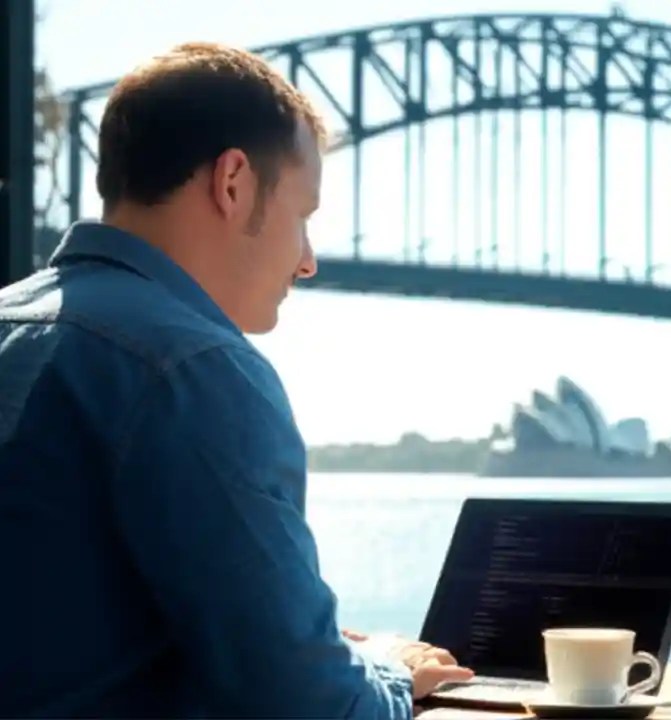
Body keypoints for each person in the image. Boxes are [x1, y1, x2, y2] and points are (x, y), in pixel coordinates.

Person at [0, 42, 473, 718]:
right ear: (233, 183)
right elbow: (311, 710)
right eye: (304, 215)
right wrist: (389, 671)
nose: (308, 261)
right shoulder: (193, 370)